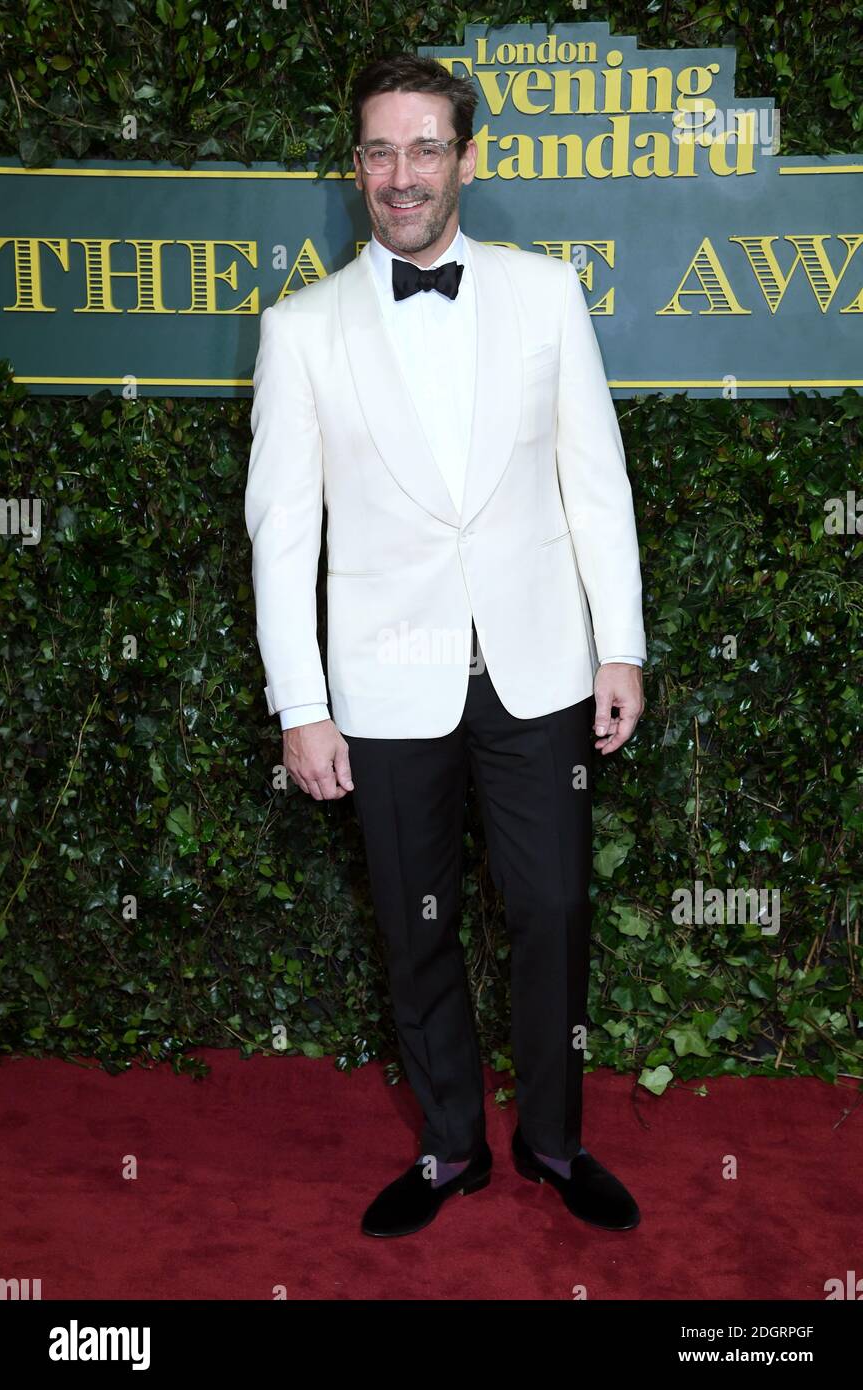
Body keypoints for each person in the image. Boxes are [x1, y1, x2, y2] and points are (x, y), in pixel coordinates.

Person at [244, 52, 647, 1239]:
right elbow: (282, 533)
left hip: (539, 672)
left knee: (555, 907)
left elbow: (596, 482)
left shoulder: (544, 293)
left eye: (426, 148)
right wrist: (299, 703)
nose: (402, 174)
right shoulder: (301, 328)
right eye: (379, 150)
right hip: (382, 682)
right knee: (413, 925)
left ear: (466, 158)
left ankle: (556, 1141)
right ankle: (449, 1147)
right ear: (356, 167)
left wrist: (618, 645)